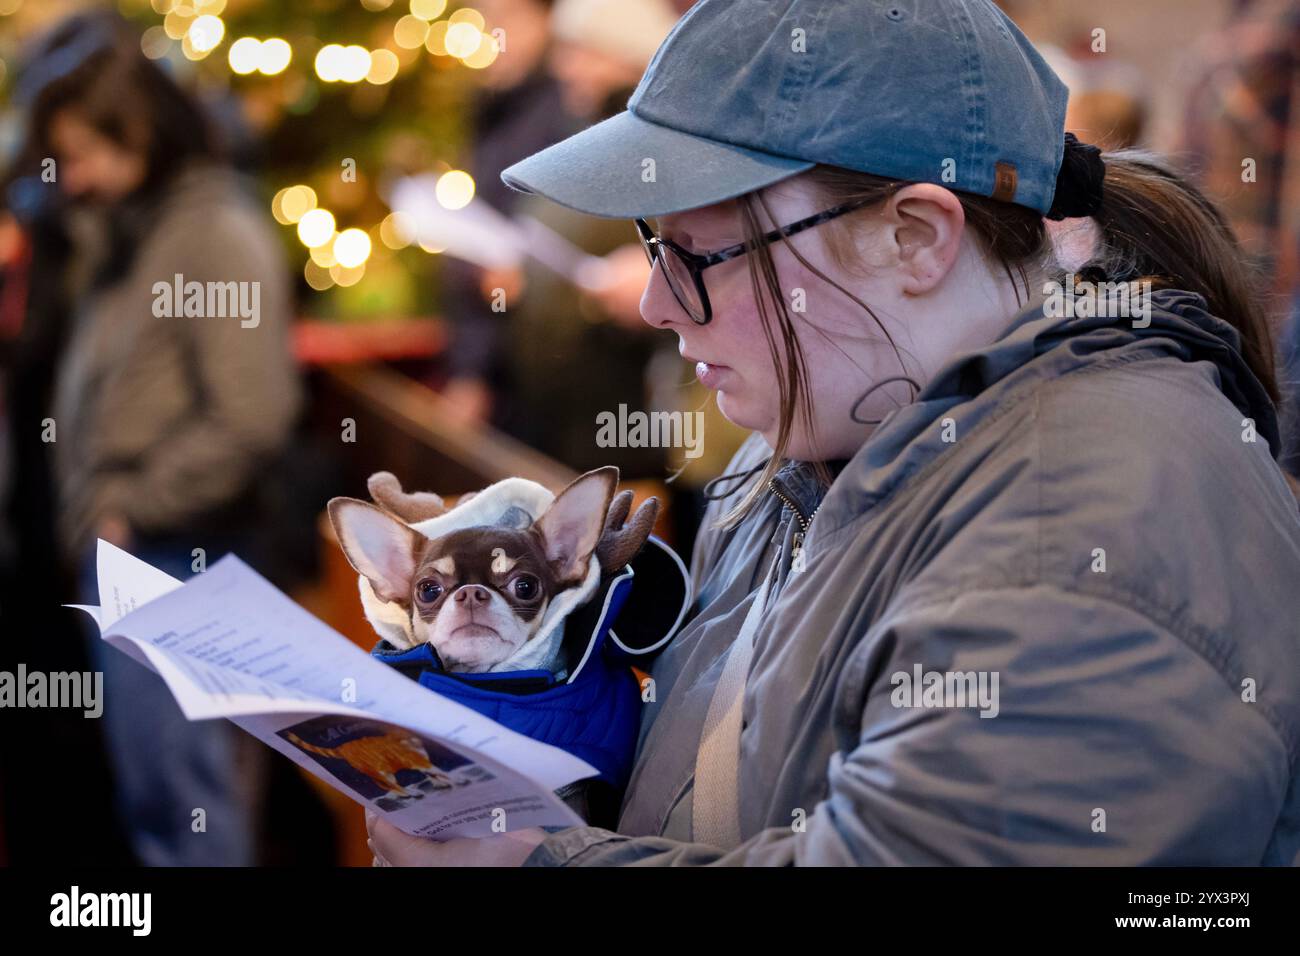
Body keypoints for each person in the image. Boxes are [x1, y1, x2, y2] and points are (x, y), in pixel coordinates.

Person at [367, 0, 1300, 866]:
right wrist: (513, 600)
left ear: (915, 239)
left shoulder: (1092, 527)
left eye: (700, 255)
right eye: (655, 248)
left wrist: (534, 861)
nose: (656, 303)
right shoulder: (820, 433)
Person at [7, 11, 301, 865]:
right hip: (135, 558)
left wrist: (128, 505)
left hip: (180, 557)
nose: (76, 176)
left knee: (191, 812)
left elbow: (251, 417)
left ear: (139, 132)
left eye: (87, 152)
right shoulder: (135, 227)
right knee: (153, 803)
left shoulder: (214, 231)